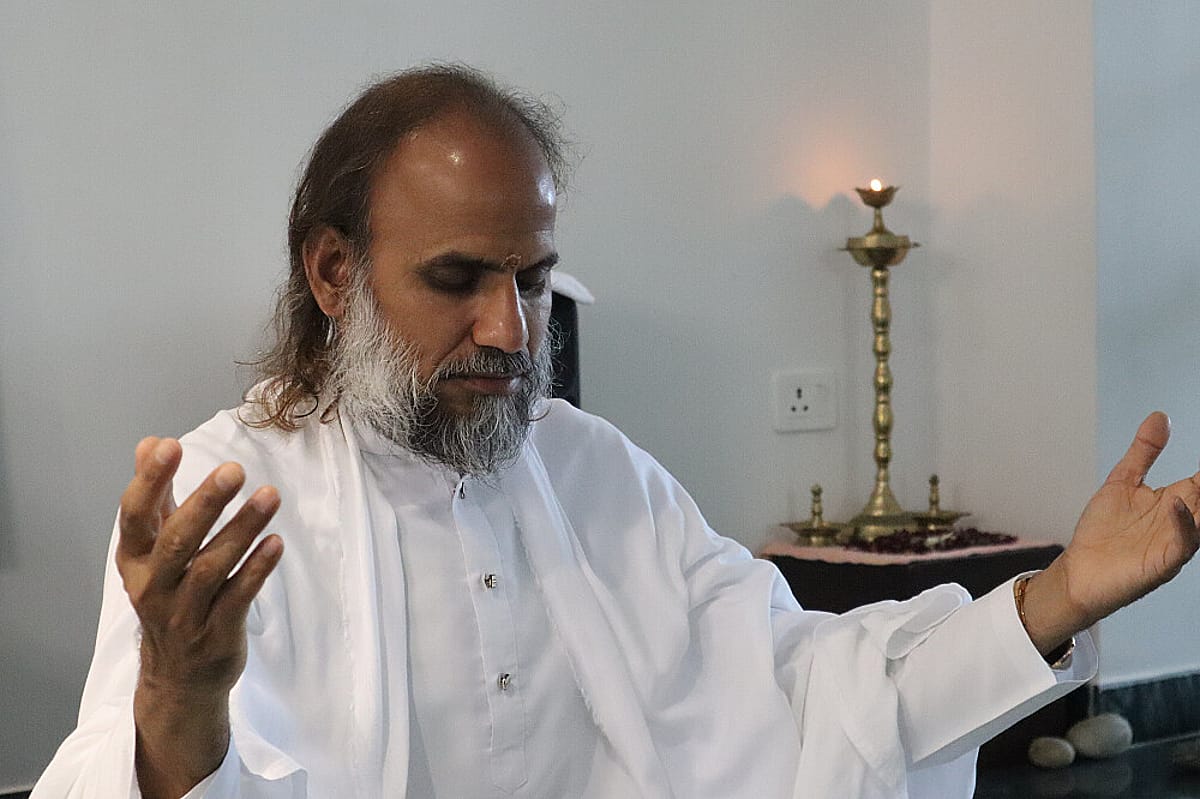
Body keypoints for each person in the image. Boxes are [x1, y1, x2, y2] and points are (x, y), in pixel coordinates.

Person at [32, 64, 1200, 799]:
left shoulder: (599, 476)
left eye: (534, 279)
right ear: (335, 270)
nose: (511, 325)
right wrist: (177, 696)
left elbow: (807, 690)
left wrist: (1061, 597)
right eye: (458, 277)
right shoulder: (226, 505)